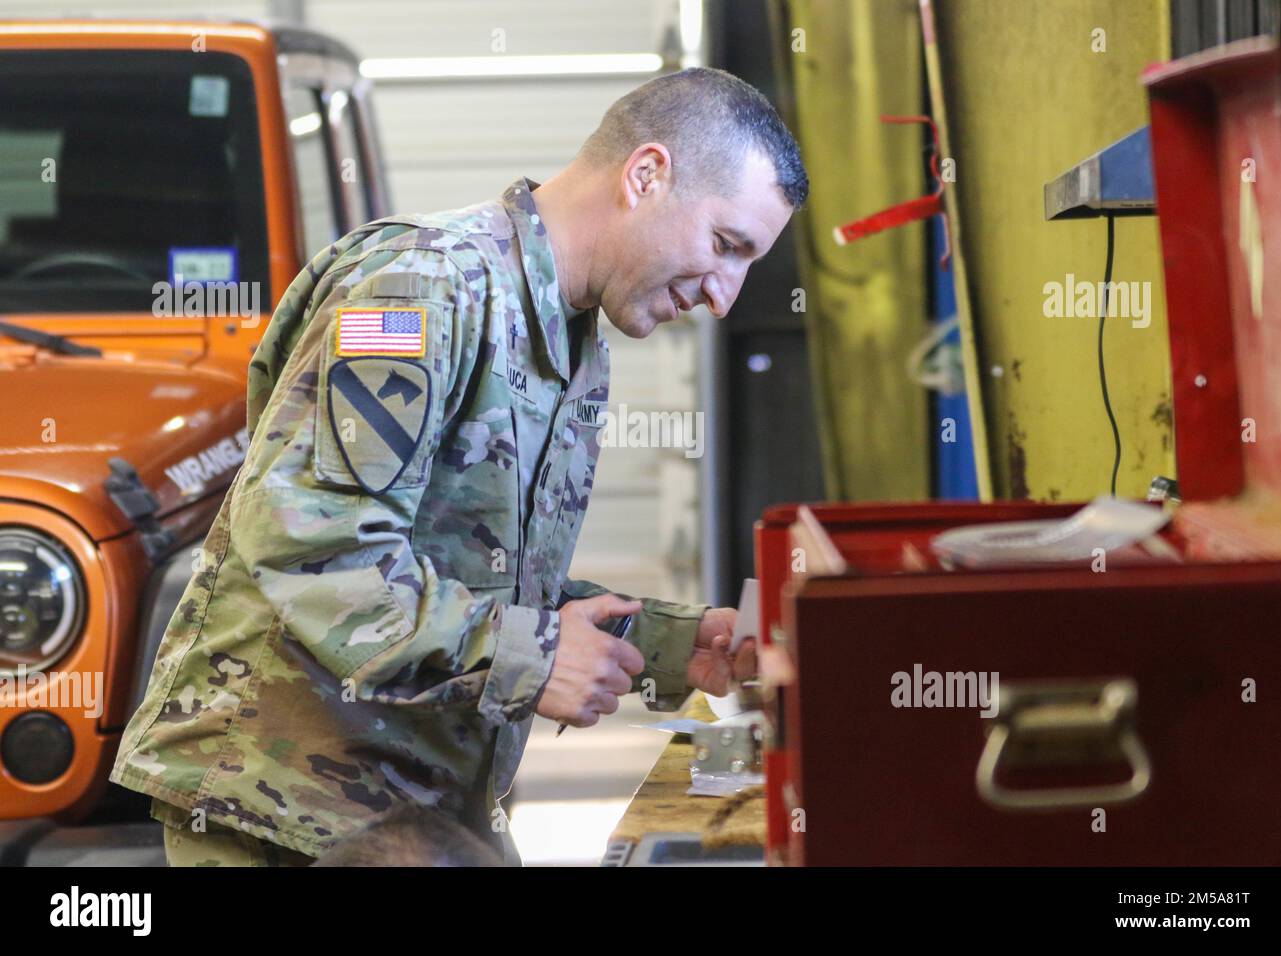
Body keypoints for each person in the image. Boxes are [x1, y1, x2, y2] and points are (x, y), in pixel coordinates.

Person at [110, 66, 808, 866]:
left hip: (423, 810)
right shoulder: (414, 294)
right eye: (726, 246)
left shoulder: (572, 341)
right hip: (286, 810)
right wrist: (532, 656)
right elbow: (312, 549)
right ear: (646, 174)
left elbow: (476, 577)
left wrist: (667, 643)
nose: (725, 296)